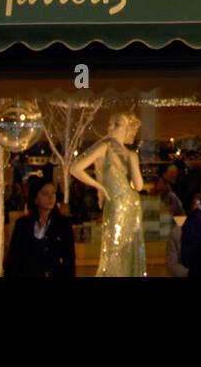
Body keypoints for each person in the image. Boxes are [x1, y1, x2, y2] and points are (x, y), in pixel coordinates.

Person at [69, 111, 147, 277]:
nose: (110, 127)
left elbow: (139, 186)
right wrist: (100, 187)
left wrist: (131, 158)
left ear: (127, 129)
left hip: (132, 208)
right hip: (115, 207)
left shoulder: (131, 155)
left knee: (129, 252)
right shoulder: (104, 148)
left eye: (116, 124)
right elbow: (75, 168)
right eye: (110, 123)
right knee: (112, 251)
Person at [4, 180, 76, 277]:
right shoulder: (22, 224)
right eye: (45, 194)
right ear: (36, 199)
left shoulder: (63, 224)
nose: (51, 197)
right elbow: (13, 258)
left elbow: (69, 259)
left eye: (53, 193)